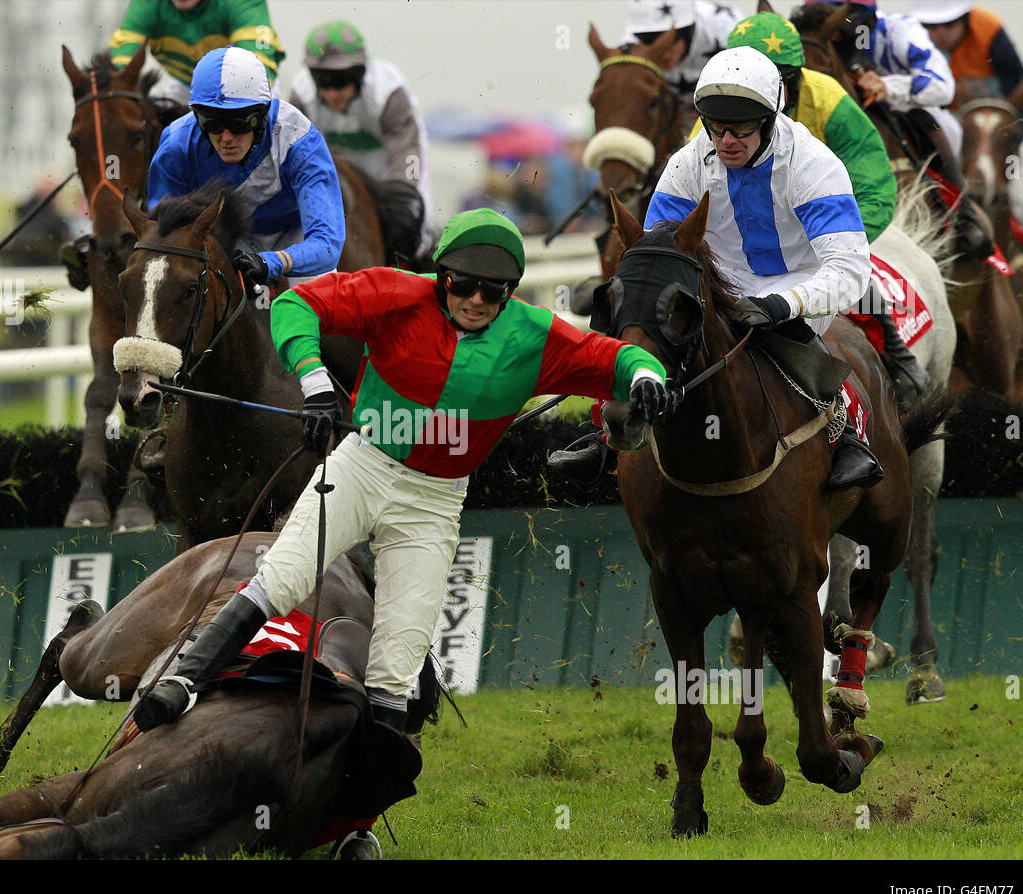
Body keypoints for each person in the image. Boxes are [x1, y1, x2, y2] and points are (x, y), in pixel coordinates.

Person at [132, 208, 670, 732]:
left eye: (494, 289)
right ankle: (184, 682)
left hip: (434, 500)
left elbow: (617, 359)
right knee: (285, 573)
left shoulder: (534, 334)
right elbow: (298, 304)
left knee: (401, 654)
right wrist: (315, 378)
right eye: (464, 285)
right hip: (363, 466)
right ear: (441, 276)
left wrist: (647, 375)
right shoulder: (394, 291)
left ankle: (359, 811)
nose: (478, 300)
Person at [549, 47, 880, 490]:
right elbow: (654, 258)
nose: (725, 140)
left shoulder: (815, 167)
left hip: (800, 284)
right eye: (715, 125)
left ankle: (849, 436)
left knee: (788, 334)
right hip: (718, 286)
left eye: (741, 127)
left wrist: (783, 304)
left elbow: (850, 268)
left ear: (770, 117)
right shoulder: (688, 164)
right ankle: (603, 432)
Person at [720, 12, 927, 406]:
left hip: (824, 219)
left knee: (846, 270)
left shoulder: (829, 98)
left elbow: (873, 178)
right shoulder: (714, 120)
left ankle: (899, 360)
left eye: (782, 82)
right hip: (753, 233)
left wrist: (841, 241)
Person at [793, 0, 990, 255]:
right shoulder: (803, 38)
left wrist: (889, 87)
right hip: (838, 108)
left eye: (839, 23)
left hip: (908, 109)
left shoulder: (901, 30)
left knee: (927, 120)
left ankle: (964, 217)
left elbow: (943, 87)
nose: (834, 34)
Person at [148, 46, 345, 289]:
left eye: (239, 122)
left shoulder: (300, 140)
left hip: (295, 235)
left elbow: (327, 244)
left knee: (320, 287)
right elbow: (161, 235)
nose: (226, 137)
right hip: (226, 238)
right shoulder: (176, 145)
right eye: (212, 122)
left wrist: (269, 262)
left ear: (261, 116)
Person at [912, 0, 1023, 283]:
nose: (940, 33)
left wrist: (1014, 141)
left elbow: (1020, 86)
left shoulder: (989, 30)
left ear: (966, 19)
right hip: (958, 129)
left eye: (948, 24)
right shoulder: (916, 42)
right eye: (932, 26)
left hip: (1009, 129)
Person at [288, 20, 437, 261]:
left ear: (359, 74)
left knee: (413, 233)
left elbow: (407, 153)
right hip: (337, 179)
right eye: (322, 81)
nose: (331, 93)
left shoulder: (388, 90)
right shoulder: (301, 94)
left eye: (340, 81)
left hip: (389, 179)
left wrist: (404, 201)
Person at [111, 0, 285, 104]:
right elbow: (122, 61)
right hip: (185, 83)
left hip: (246, 86)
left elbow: (255, 69)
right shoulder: (146, 4)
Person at [620, 0, 742, 106]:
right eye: (653, 46)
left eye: (670, 45)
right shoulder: (630, 49)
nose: (664, 55)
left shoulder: (727, 29)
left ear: (689, 32)